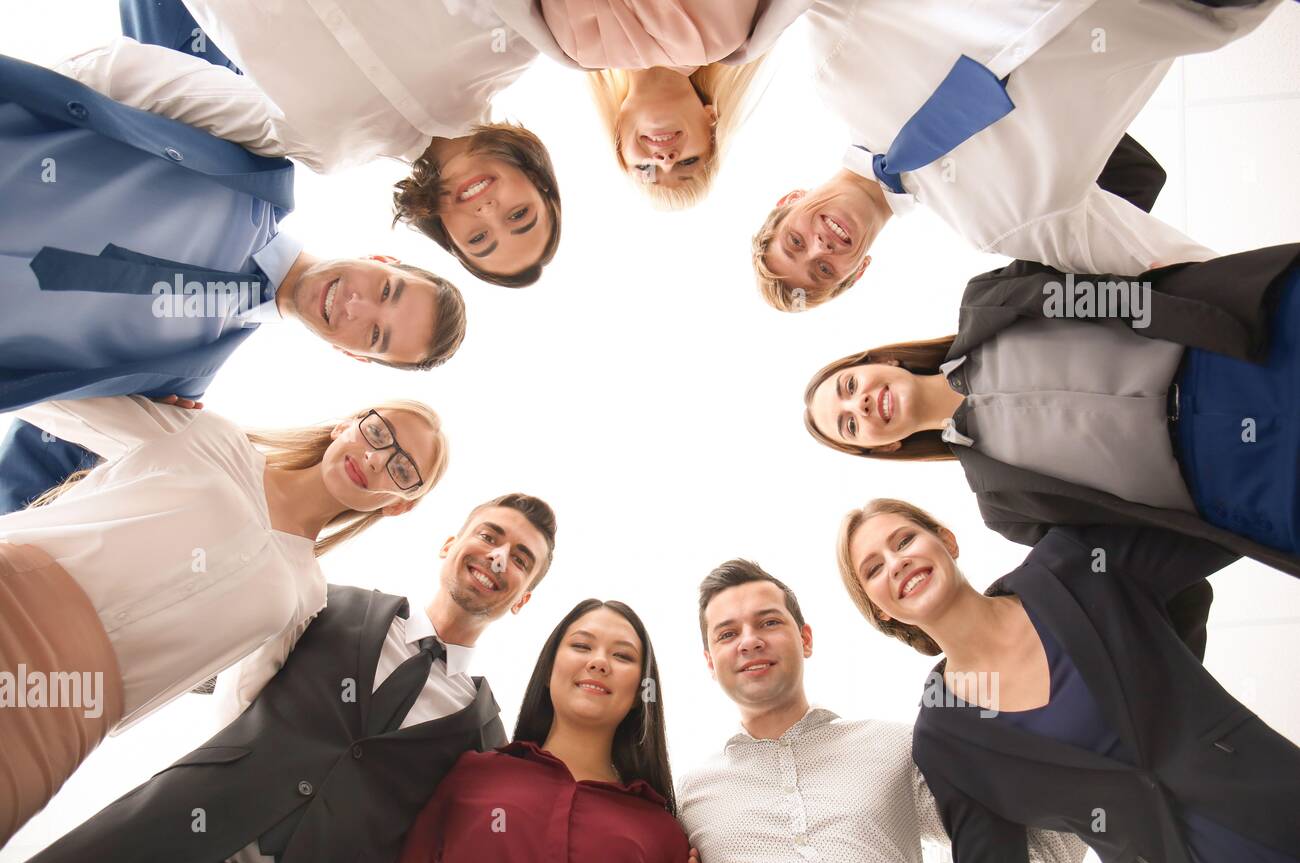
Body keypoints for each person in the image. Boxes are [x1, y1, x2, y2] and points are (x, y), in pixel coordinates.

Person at [0, 52, 466, 514]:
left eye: (375, 336)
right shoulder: (253, 158)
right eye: (387, 290)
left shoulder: (179, 382)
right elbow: (141, 57)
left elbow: (39, 468)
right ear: (382, 258)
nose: (356, 306)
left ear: (353, 354)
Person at [0, 395, 449, 847]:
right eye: (377, 432)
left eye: (403, 469)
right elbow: (47, 396)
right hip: (17, 591)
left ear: (399, 505)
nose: (375, 458)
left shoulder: (305, 592)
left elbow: (239, 717)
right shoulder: (213, 438)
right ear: (348, 424)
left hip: (73, 713)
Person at [22, 493, 556, 863]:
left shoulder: (486, 738)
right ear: (449, 543)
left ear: (523, 598)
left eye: (521, 559)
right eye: (490, 535)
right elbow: (237, 684)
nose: (497, 556)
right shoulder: (324, 602)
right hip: (167, 835)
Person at [837, 497, 1300, 863]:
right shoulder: (944, 741)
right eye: (873, 569)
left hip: (1274, 799)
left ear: (947, 540)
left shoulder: (1070, 567)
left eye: (903, 541)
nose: (895, 563)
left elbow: (1216, 530)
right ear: (880, 611)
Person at [802, 241, 1300, 578]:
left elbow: (1104, 198)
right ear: (883, 445)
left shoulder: (988, 300)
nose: (860, 403)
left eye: (849, 385)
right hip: (1233, 481)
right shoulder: (1003, 507)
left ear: (881, 360)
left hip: (1233, 351)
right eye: (850, 424)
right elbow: (1129, 564)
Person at [751, 0, 1283, 310]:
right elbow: (1166, 267)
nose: (820, 245)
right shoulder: (996, 226)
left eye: (795, 241)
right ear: (857, 271)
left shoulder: (834, 69)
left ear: (790, 199)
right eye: (823, 269)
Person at [63, 0, 562, 287]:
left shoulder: (328, 148)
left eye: (478, 239)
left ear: (445, 231)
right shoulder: (513, 43)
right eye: (520, 216)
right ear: (538, 182)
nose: (489, 212)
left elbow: (141, 80)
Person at [677, 558, 1085, 863]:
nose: (749, 642)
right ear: (710, 662)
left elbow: (1033, 848)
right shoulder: (688, 799)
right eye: (728, 634)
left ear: (805, 639)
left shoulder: (899, 748)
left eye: (768, 622)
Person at [399, 598, 689, 863]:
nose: (599, 662)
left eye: (623, 656)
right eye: (582, 646)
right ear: (549, 669)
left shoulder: (663, 835)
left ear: (641, 692)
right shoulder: (469, 775)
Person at [494, 0, 811, 208]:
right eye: (688, 163)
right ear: (710, 119)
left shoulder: (577, 50)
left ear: (619, 141)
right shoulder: (723, 38)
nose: (665, 159)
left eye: (646, 169)